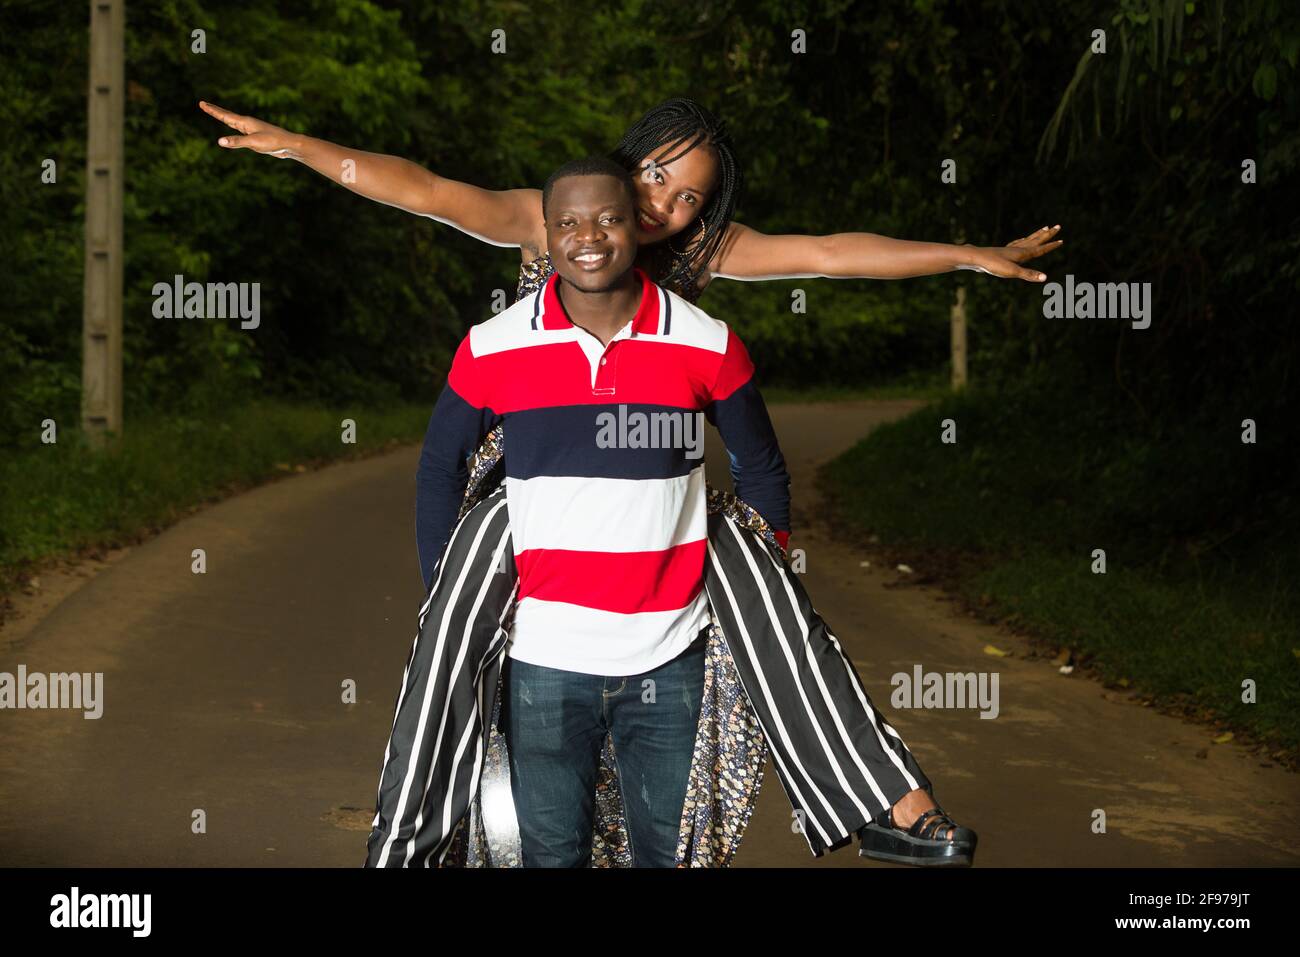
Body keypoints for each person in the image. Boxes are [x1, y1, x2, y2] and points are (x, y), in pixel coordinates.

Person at [203, 97, 1013, 858]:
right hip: (530, 482)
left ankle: (895, 808)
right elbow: (427, 190)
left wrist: (966, 256)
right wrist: (300, 146)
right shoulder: (551, 215)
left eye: (689, 197)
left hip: (655, 498)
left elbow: (832, 254)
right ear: (629, 161)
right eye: (657, 174)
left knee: (769, 586)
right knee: (442, 644)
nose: (664, 205)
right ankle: (410, 847)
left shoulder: (696, 257)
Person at [413, 156, 795, 865]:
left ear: (638, 229)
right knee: (551, 855)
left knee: (667, 855)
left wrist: (761, 581)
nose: (589, 236)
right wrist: (449, 595)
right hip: (542, 658)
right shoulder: (493, 345)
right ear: (548, 235)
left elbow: (762, 468)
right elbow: (441, 468)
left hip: (673, 654)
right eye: (569, 223)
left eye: (609, 218)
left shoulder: (706, 340)